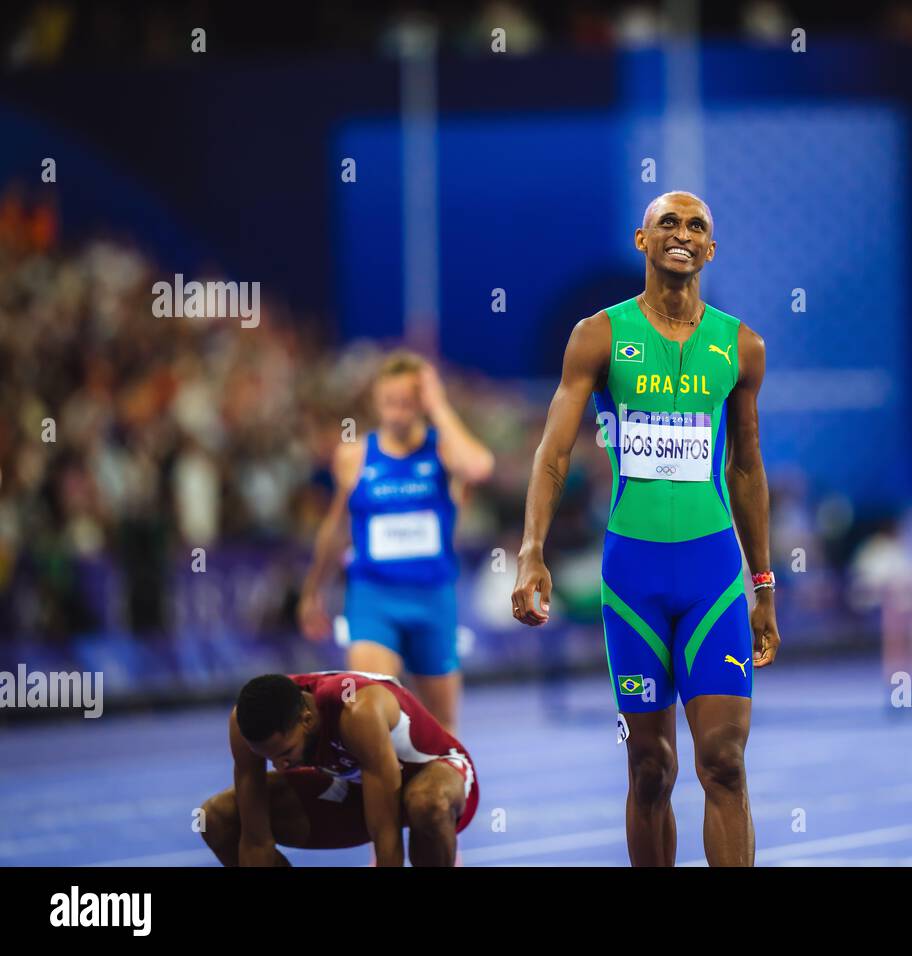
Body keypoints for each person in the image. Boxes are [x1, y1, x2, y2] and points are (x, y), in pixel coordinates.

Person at [511, 190, 781, 866]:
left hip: (713, 575)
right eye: (669, 223)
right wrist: (531, 550)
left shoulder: (741, 347)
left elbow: (747, 470)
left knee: (723, 761)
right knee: (650, 768)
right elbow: (554, 452)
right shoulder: (598, 336)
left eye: (697, 226)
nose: (683, 234)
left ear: (711, 249)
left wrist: (764, 584)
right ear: (643, 240)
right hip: (633, 577)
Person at [298, 352, 493, 734]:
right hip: (374, 598)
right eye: (389, 402)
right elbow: (335, 528)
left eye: (407, 402)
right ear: (376, 401)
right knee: (369, 712)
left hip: (432, 599)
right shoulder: (355, 455)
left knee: (442, 727)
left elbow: (479, 468)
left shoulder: (443, 450)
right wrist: (312, 591)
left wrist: (438, 406)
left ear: (421, 403)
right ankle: (381, 791)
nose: (397, 413)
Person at [199, 670, 478, 866]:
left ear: (307, 720)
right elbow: (256, 841)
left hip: (433, 775)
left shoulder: (357, 713)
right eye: (268, 757)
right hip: (355, 786)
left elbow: (385, 838)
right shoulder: (242, 724)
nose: (280, 766)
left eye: (285, 753)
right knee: (217, 817)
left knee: (426, 803)